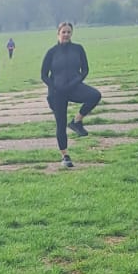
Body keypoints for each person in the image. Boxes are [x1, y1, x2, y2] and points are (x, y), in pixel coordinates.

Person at [40, 21, 101, 169]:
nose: (66, 34)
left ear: (71, 33)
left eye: (68, 32)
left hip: (74, 87)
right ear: (58, 33)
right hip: (57, 92)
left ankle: (76, 121)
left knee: (95, 95)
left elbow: (85, 70)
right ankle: (65, 156)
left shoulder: (78, 49)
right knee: (60, 124)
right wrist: (54, 87)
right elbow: (44, 75)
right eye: (63, 32)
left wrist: (76, 81)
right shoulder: (52, 52)